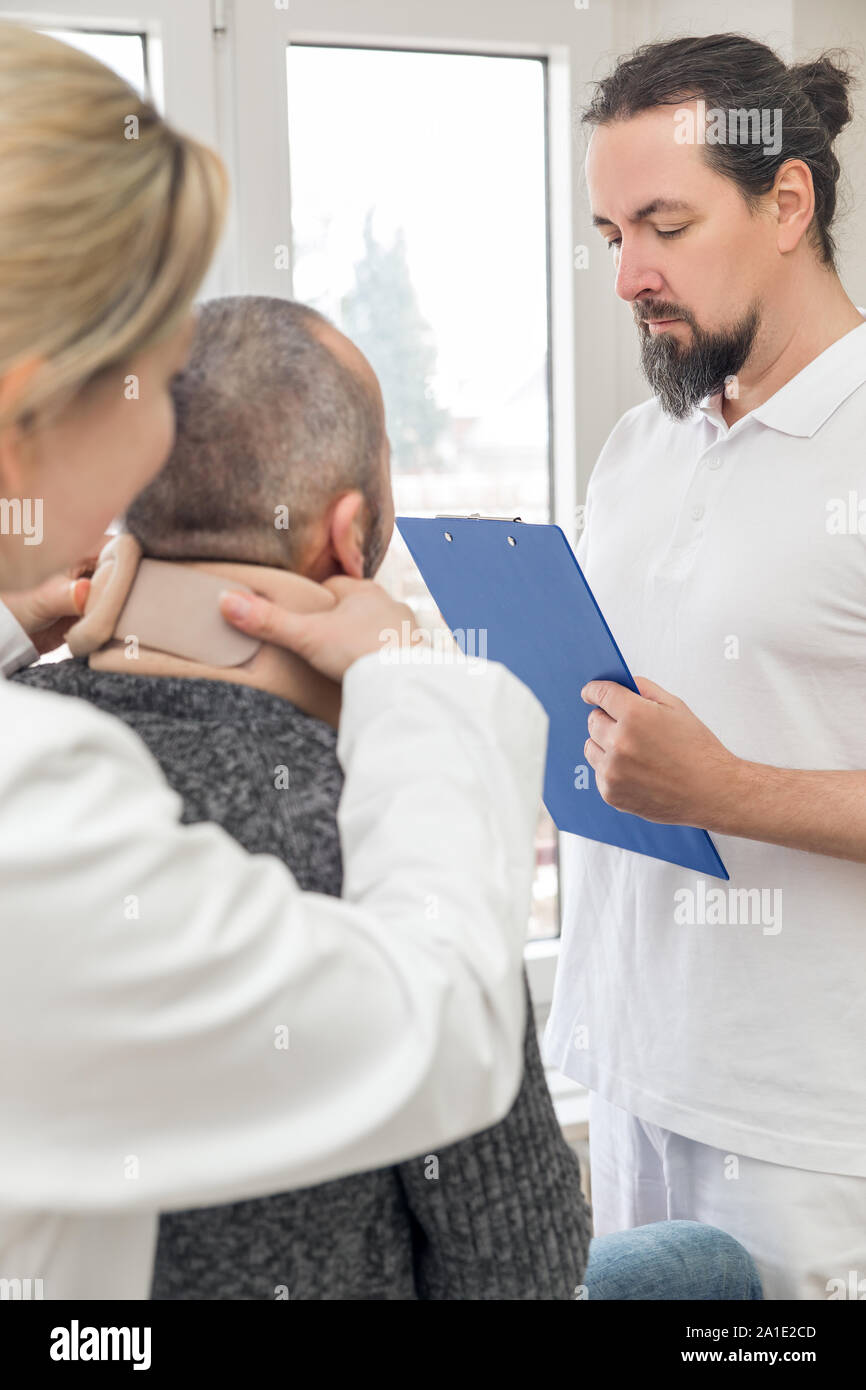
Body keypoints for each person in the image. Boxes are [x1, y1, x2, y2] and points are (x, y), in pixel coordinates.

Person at [15, 295, 762, 1302]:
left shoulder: (32, 747)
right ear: (347, 534)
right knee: (711, 1269)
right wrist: (406, 677)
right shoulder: (395, 828)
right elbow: (524, 1275)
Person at [0, 20, 547, 1301]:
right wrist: (412, 682)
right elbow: (444, 1039)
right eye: (144, 380)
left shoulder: (40, 708)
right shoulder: (51, 814)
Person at [543, 31, 866, 1300]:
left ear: (785, 201)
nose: (626, 272)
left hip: (814, 1130)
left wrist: (721, 788)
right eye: (610, 231)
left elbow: (700, 769)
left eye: (662, 225)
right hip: (627, 1066)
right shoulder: (639, 441)